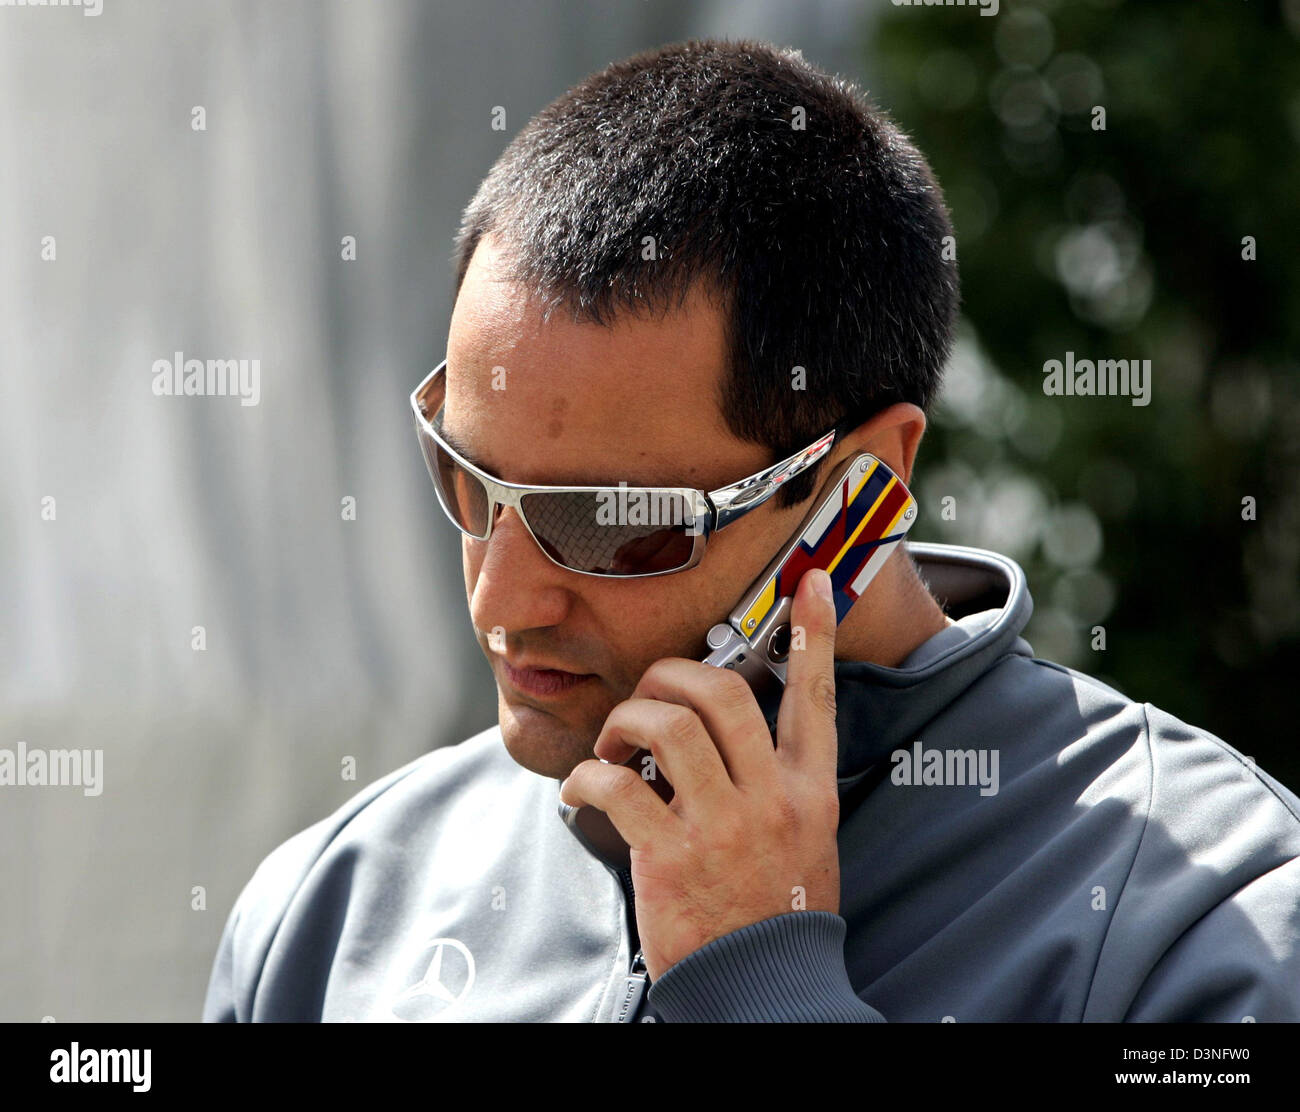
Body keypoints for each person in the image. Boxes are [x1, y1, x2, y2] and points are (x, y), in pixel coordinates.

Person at [202, 38, 1300, 1022]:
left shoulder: (1208, 914)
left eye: (613, 525)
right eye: (469, 476)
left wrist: (765, 985)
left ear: (855, 496)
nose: (501, 599)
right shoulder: (332, 909)